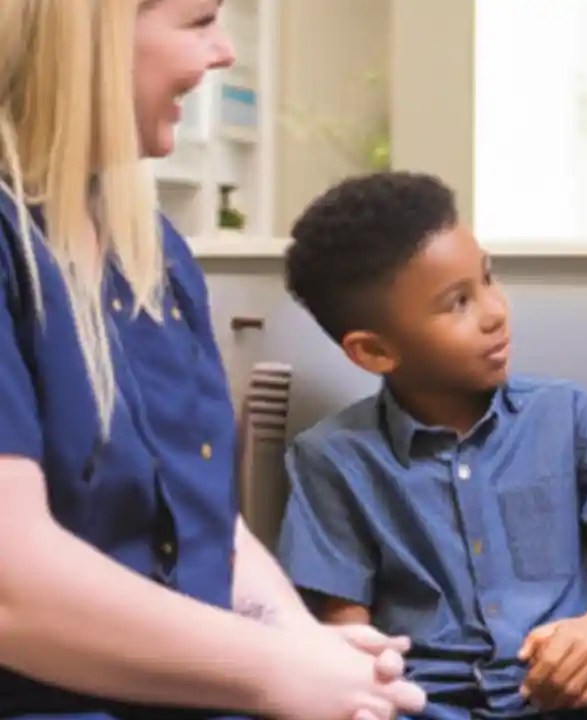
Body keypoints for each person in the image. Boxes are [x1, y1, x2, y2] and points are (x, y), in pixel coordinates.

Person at [0, 2, 426, 719]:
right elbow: (13, 588)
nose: (225, 52)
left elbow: (207, 528)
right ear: (90, 37)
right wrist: (272, 669)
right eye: (198, 21)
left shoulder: (154, 256)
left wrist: (297, 637)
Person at [275, 171, 587, 720]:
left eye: (488, 278)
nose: (494, 311)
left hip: (574, 706)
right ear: (372, 352)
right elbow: (350, 640)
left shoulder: (568, 415)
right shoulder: (332, 459)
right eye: (457, 302)